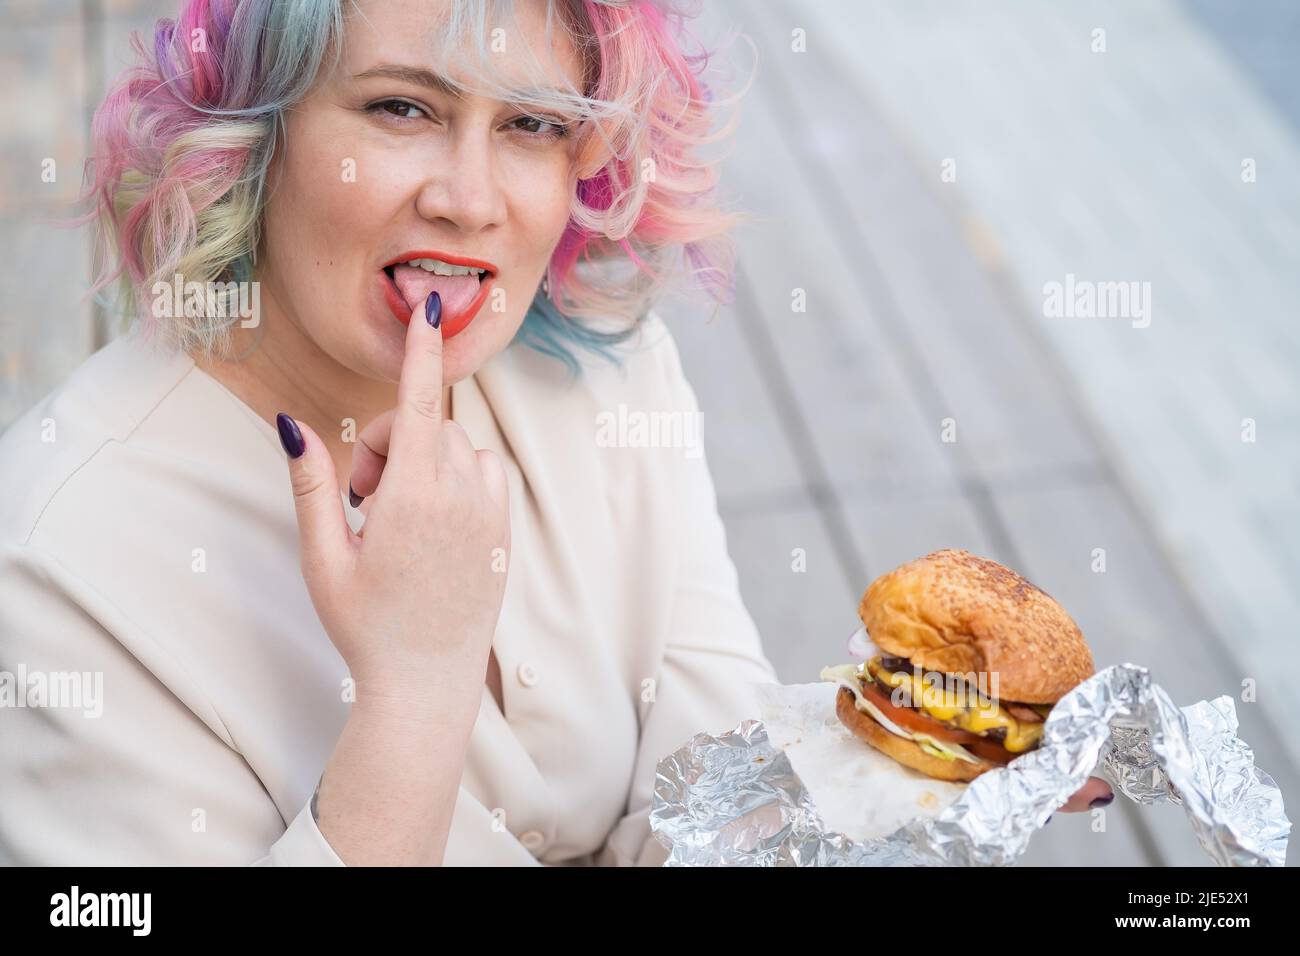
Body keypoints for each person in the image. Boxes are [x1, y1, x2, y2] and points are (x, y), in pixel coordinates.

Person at [0, 0, 1111, 866]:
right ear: (254, 129)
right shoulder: (61, 560)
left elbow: (708, 802)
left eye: (531, 125)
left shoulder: (609, 376)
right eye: (402, 108)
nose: (471, 200)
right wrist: (416, 692)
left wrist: (905, 771)